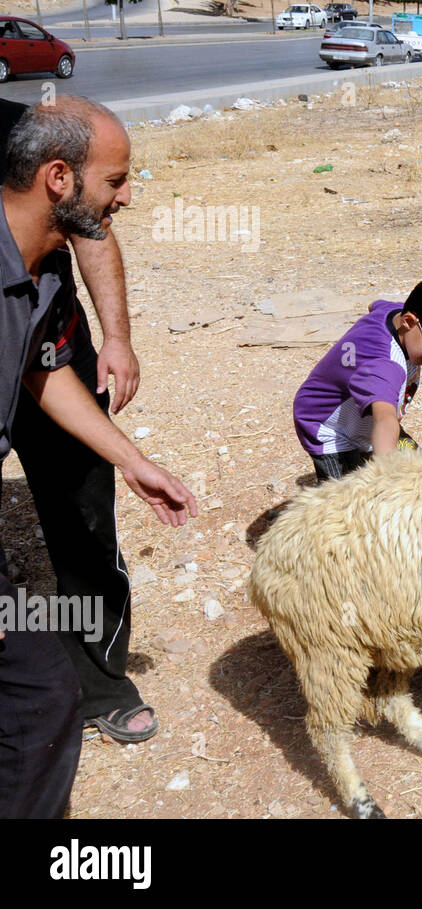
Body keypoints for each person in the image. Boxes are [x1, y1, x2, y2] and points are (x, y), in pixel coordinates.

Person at [0, 97, 196, 817]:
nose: (129, 194)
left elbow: (45, 372)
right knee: (38, 698)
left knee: (41, 692)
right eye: (117, 179)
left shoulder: (42, 267)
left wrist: (133, 460)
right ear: (58, 179)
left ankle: (100, 682)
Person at [293, 276, 422, 482]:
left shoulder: (395, 313)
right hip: (330, 429)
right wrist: (386, 481)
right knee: (349, 499)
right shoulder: (384, 365)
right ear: (409, 321)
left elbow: (375, 305)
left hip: (363, 419)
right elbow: (384, 418)